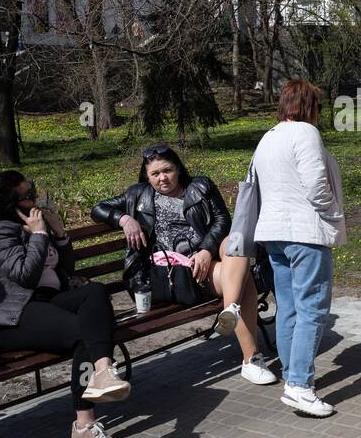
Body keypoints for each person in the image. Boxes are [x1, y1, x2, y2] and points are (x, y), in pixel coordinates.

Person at [0, 171, 130, 438]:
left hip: (46, 304)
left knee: (95, 292)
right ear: (9, 203)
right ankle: (83, 427)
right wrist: (39, 234)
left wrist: (59, 234)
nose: (36, 198)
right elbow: (25, 276)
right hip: (12, 318)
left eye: (34, 191)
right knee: (82, 333)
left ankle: (103, 370)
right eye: (28, 195)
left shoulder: (31, 221)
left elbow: (66, 269)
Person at [90, 144, 277, 386]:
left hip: (206, 264)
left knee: (233, 242)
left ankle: (232, 314)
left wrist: (206, 251)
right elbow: (97, 209)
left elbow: (222, 219)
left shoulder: (200, 186)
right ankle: (249, 358)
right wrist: (124, 219)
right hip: (173, 276)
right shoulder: (138, 194)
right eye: (155, 174)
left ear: (178, 168)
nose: (162, 178)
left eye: (167, 170)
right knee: (244, 281)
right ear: (146, 176)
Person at [252, 80, 346, 417]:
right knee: (312, 309)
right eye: (318, 106)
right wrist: (333, 212)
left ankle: (292, 376)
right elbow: (315, 183)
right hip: (305, 232)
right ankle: (300, 386)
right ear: (309, 106)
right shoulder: (305, 133)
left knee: (289, 307)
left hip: (273, 233)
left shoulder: (268, 137)